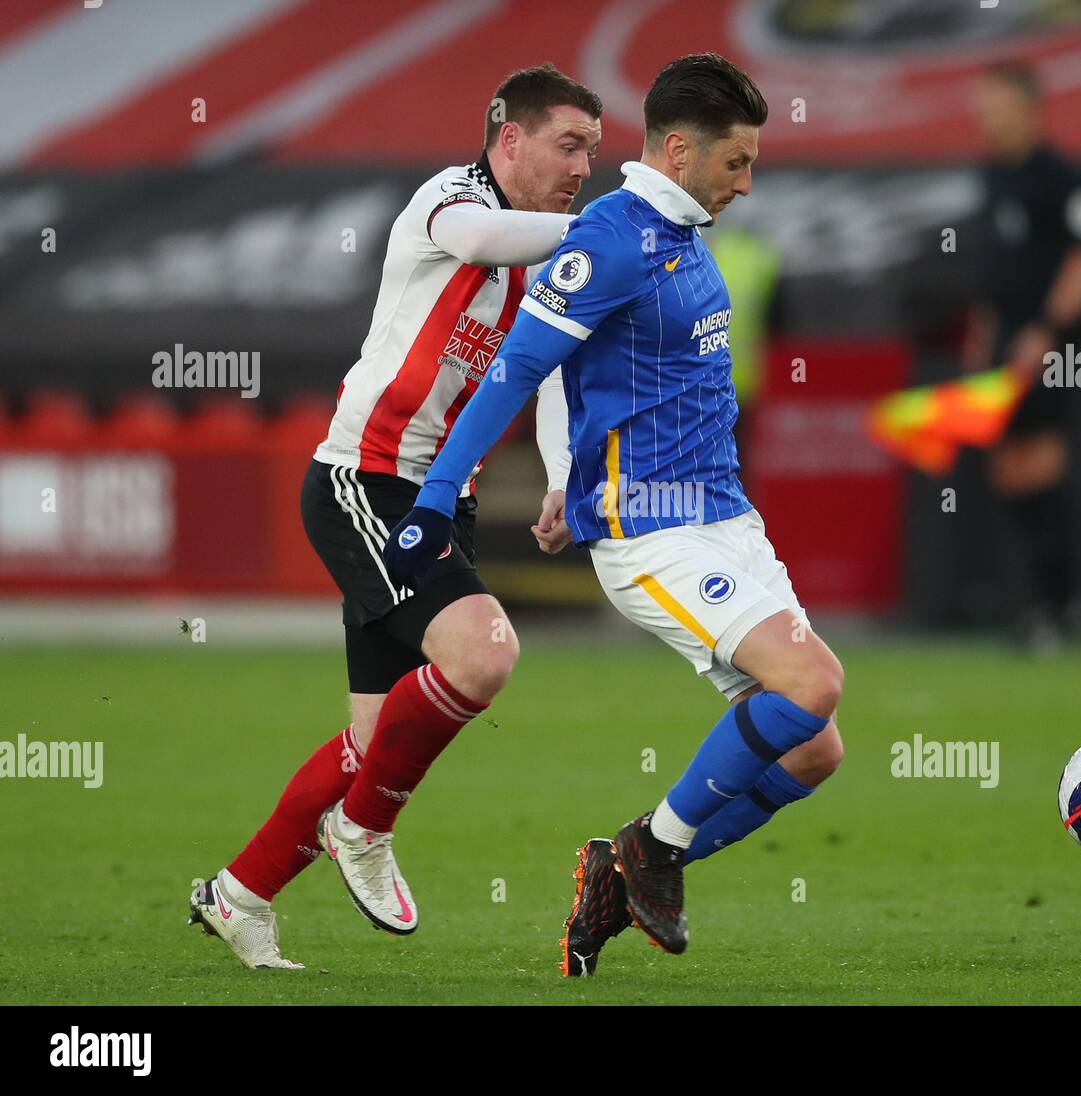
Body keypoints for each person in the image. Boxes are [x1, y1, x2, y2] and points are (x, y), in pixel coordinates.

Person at [381, 53, 845, 977]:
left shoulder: (683, 229)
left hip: (728, 523)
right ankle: (654, 849)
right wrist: (435, 495)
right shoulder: (610, 238)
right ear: (678, 150)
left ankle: (617, 867)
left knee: (812, 753)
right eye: (735, 163)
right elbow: (518, 367)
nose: (746, 184)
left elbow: (614, 383)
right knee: (813, 684)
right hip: (653, 537)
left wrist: (566, 468)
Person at [188, 64, 601, 969]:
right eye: (568, 145)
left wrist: (564, 477)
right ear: (509, 137)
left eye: (592, 154)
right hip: (364, 482)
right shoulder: (451, 200)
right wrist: (610, 231)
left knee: (372, 746)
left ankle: (239, 894)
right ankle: (364, 832)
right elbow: (485, 231)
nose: (581, 166)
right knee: (485, 653)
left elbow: (558, 378)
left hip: (437, 502)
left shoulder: (552, 263)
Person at [967, 62, 1081, 648]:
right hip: (1004, 337)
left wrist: (1046, 330)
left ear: (1029, 109)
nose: (986, 118)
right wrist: (983, 337)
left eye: (995, 106)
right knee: (1006, 471)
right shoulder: (992, 177)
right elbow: (994, 269)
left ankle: (1064, 605)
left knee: (1042, 465)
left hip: (1048, 342)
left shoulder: (1060, 178)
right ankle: (1032, 609)